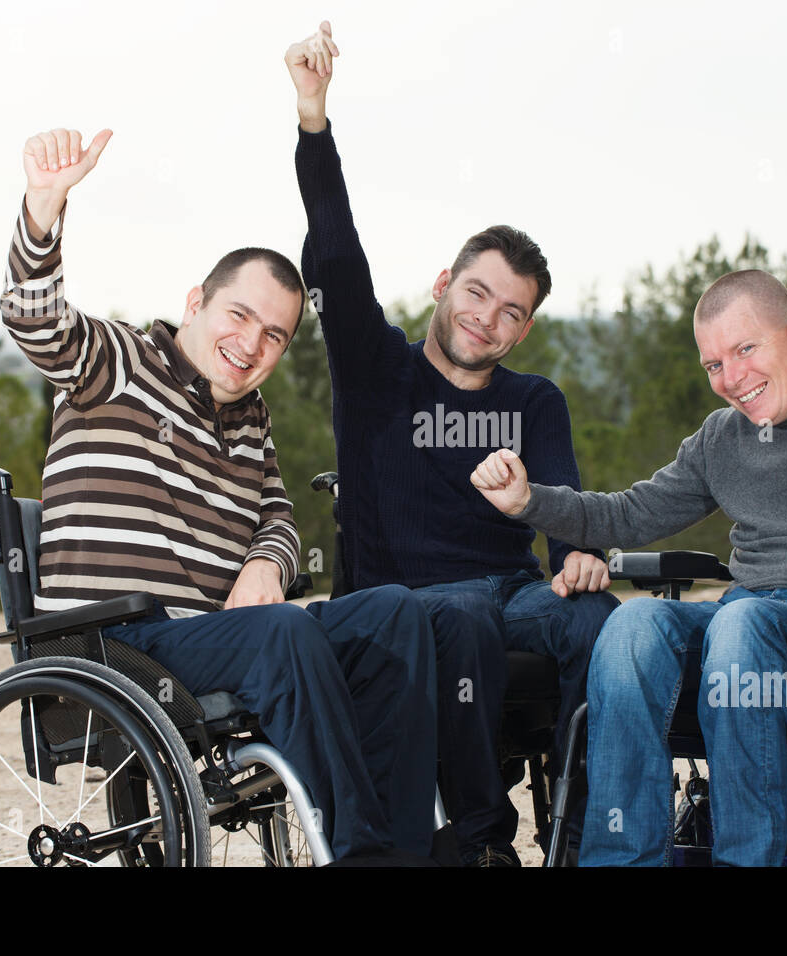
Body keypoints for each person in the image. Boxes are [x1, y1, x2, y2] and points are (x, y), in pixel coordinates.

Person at [0, 125, 437, 862]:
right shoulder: (123, 360)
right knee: (286, 633)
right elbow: (39, 325)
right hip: (116, 645)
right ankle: (364, 854)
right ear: (197, 300)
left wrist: (267, 563)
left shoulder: (249, 418)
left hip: (207, 643)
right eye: (240, 315)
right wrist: (43, 212)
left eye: (275, 335)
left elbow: (276, 511)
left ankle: (412, 844)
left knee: (397, 614)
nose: (253, 343)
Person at [472, 257, 787, 865]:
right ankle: (623, 859)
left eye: (746, 349)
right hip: (747, 623)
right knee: (634, 625)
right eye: (714, 364)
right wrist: (528, 500)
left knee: (742, 627)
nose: (732, 378)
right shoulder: (723, 438)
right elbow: (625, 515)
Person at [285, 21, 620, 866]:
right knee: (463, 618)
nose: (487, 318)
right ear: (444, 285)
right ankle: (480, 845)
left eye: (511, 310)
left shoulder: (535, 400)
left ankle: (579, 841)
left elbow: (566, 504)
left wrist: (580, 552)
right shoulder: (375, 371)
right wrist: (314, 119)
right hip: (405, 602)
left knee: (597, 623)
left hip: (511, 590)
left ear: (527, 325)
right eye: (476, 293)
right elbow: (336, 247)